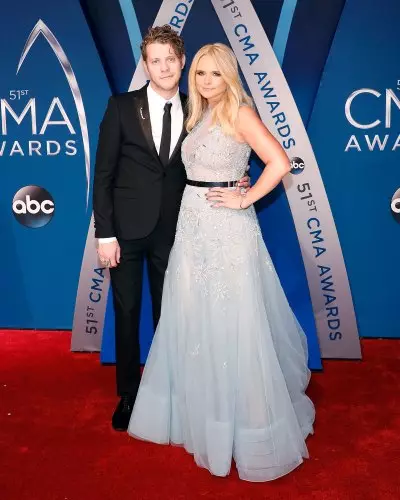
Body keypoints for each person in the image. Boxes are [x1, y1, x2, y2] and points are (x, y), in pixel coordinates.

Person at [128, 43, 315, 482]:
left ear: (228, 75)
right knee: (191, 317)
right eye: (200, 74)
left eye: (214, 74)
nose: (206, 81)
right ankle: (201, 416)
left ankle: (246, 427)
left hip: (228, 229)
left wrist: (245, 195)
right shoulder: (197, 113)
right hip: (192, 227)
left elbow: (279, 162)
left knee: (234, 322)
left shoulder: (240, 113)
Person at [92, 27, 250, 432]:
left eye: (170, 59)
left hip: (178, 232)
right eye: (154, 60)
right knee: (127, 313)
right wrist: (104, 234)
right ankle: (128, 395)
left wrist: (238, 181)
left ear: (183, 62)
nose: (163, 66)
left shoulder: (197, 109)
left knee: (175, 315)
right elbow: (103, 174)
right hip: (125, 233)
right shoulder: (121, 107)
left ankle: (173, 393)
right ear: (146, 65)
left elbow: (212, 159)